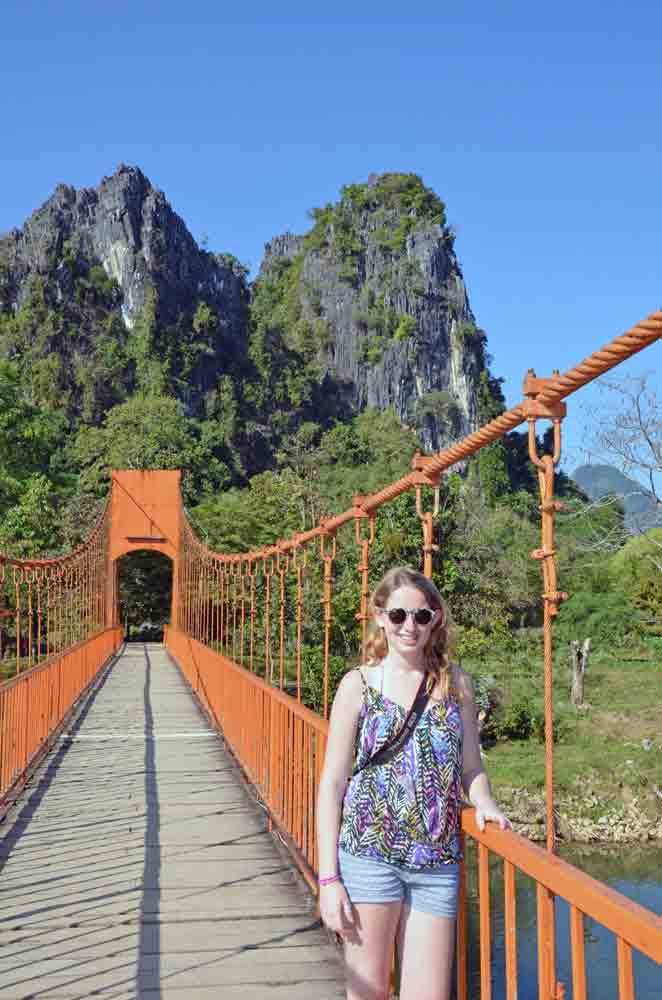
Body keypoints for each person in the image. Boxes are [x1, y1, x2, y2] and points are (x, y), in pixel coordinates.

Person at [317, 566, 510, 1000]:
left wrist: (484, 800)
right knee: (368, 993)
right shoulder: (357, 686)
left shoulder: (456, 684)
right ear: (380, 617)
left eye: (421, 616)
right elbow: (332, 784)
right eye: (398, 615)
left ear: (435, 619)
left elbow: (471, 767)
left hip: (435, 864)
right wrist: (329, 881)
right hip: (368, 858)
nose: (410, 627)